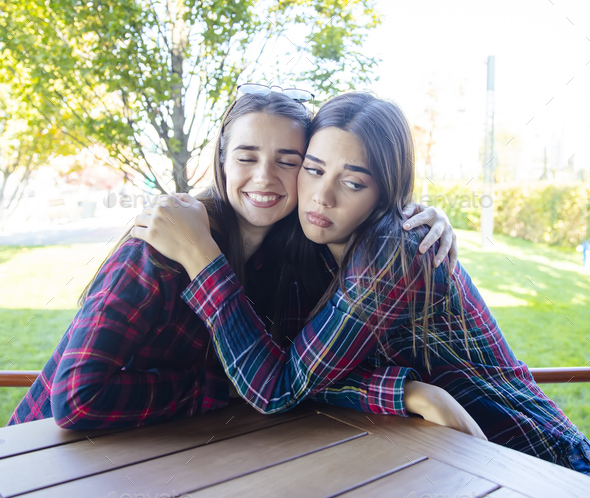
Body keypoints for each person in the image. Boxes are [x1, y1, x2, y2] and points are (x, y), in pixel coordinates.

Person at [138, 92, 590, 473]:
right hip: (458, 464)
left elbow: (275, 389)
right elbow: (296, 370)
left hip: (541, 462)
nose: (322, 196)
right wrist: (408, 392)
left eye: (352, 183)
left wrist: (201, 257)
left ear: (385, 192)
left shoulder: (393, 250)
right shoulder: (312, 249)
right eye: (313, 170)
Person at [8, 89, 454, 429]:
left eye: (289, 162)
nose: (264, 177)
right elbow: (78, 398)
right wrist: (220, 389)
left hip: (171, 458)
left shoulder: (296, 257)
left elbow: (294, 375)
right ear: (221, 161)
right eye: (247, 156)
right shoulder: (161, 244)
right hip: (40, 464)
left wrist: (404, 214)